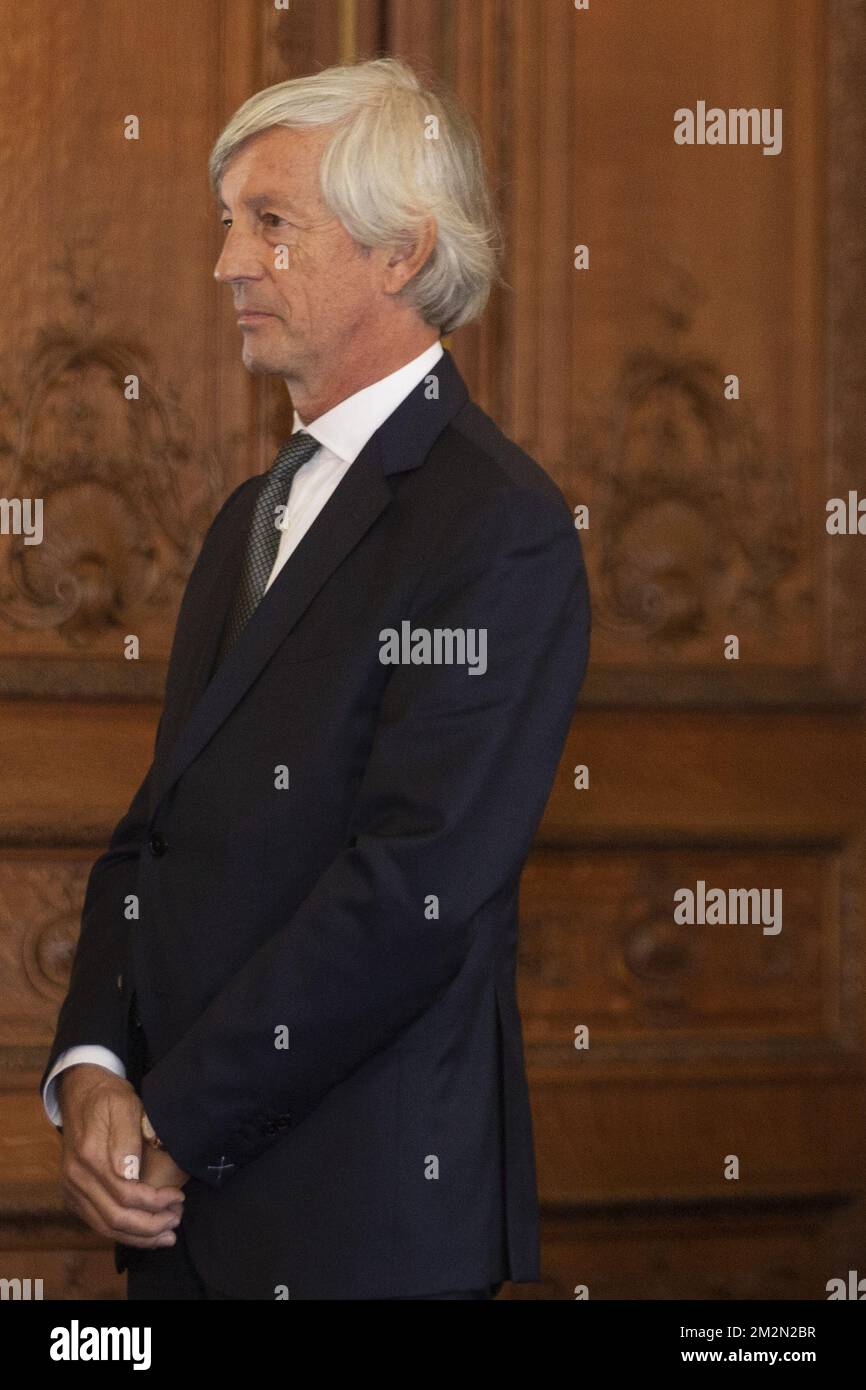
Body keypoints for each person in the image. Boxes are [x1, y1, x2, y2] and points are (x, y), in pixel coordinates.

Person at [40, 57, 590, 1300]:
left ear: (401, 252)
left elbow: (411, 895)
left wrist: (168, 1118)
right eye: (227, 222)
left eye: (268, 222)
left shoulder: (494, 526)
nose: (227, 262)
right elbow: (156, 837)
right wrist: (90, 1069)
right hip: (174, 1216)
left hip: (354, 1226)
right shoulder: (250, 513)